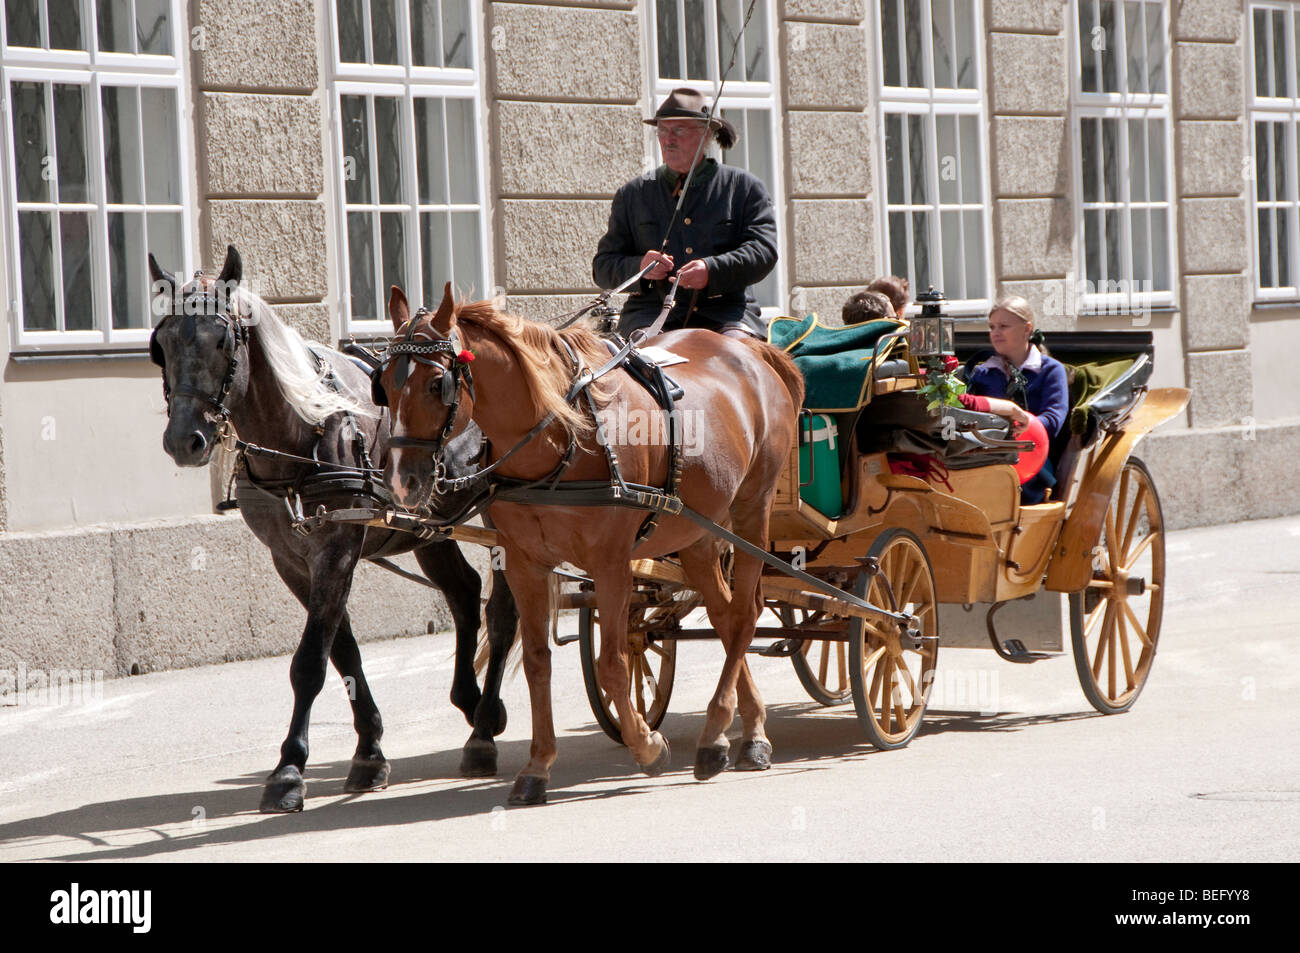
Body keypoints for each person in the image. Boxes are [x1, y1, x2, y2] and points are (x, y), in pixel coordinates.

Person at [592, 88, 778, 340]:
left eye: (679, 130)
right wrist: (640, 267)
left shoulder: (743, 187)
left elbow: (763, 250)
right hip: (651, 314)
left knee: (738, 355)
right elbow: (603, 267)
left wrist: (711, 270)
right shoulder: (632, 194)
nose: (668, 139)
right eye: (663, 130)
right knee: (640, 360)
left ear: (705, 135)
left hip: (727, 314)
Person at [959, 295, 1069, 502]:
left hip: (1032, 457)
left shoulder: (1051, 371)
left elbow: (1053, 420)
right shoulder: (982, 373)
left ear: (1027, 329)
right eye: (992, 327)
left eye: (1003, 326)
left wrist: (1020, 424)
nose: (995, 333)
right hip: (985, 453)